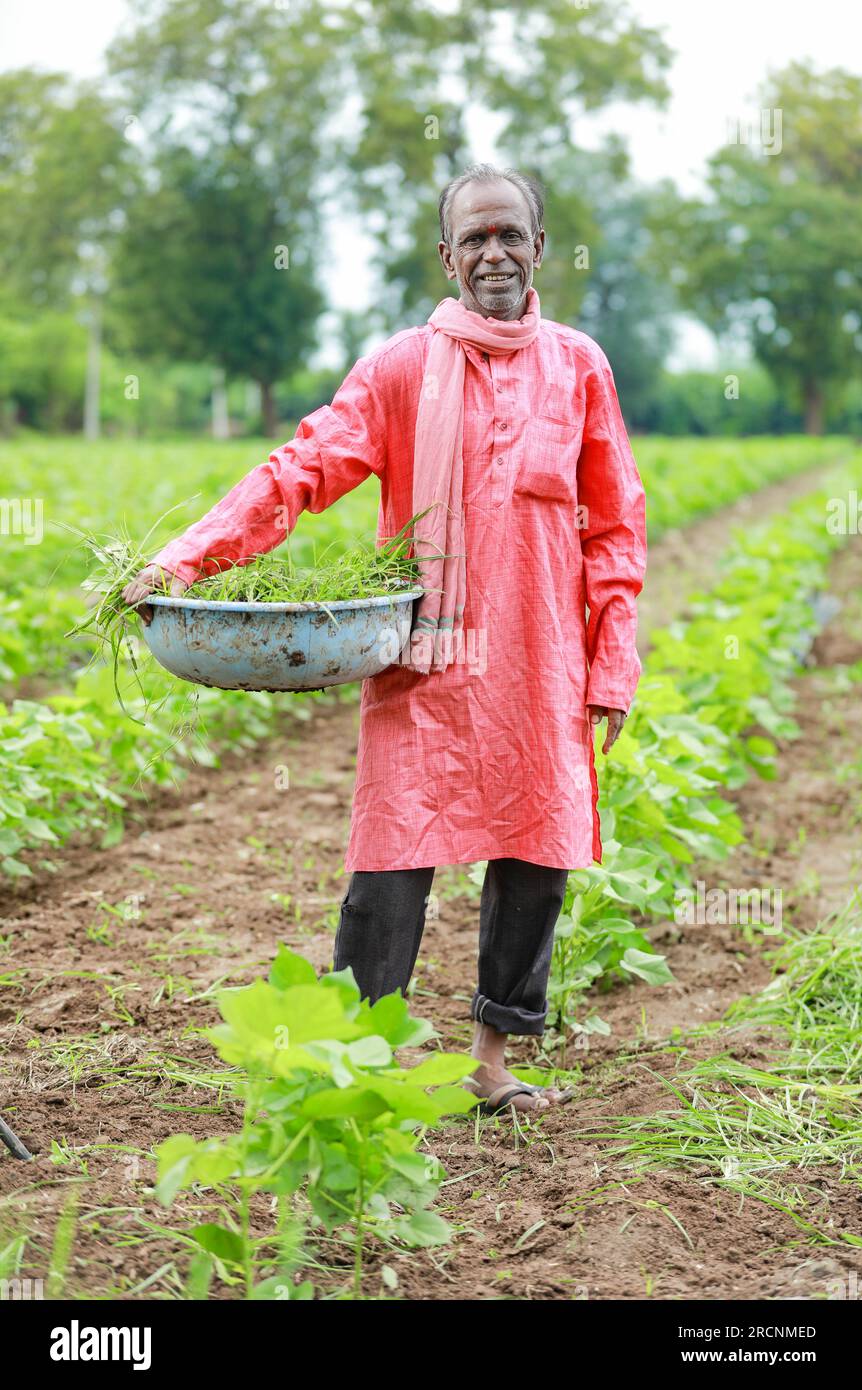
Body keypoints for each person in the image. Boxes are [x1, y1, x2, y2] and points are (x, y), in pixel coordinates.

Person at [123, 163, 647, 1115]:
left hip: (540, 661)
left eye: (511, 235)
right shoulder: (403, 368)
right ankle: (364, 1063)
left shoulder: (580, 366)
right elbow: (305, 468)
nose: (494, 252)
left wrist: (612, 658)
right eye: (475, 238)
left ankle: (492, 1062)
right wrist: (185, 562)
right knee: (391, 861)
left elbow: (613, 525)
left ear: (539, 248)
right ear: (446, 257)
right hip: (425, 661)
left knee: (536, 856)